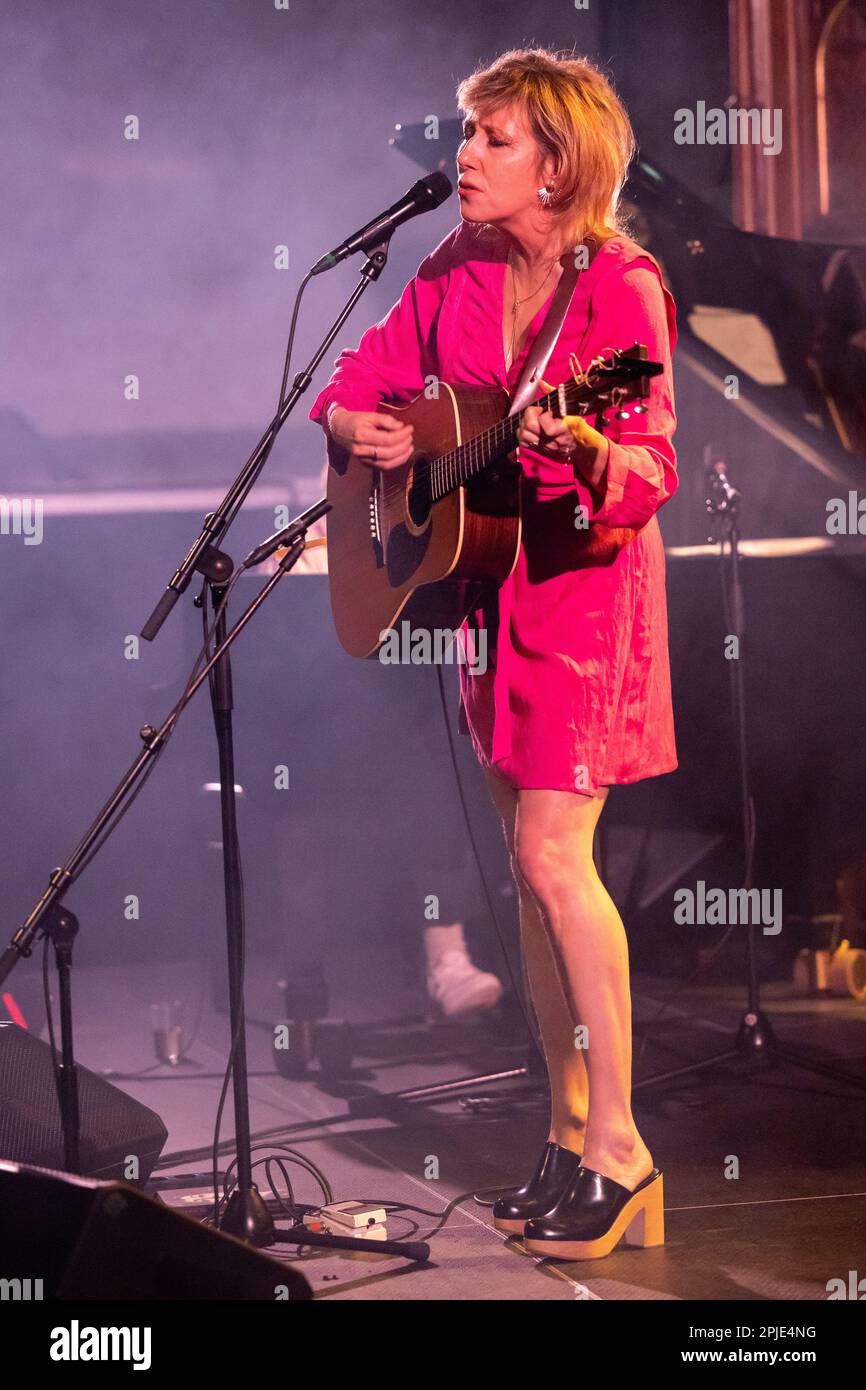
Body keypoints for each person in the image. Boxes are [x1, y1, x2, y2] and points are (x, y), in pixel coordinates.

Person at [309, 47, 677, 1262]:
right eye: (466, 136)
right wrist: (352, 422)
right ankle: (569, 1133)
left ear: (558, 162)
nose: (461, 156)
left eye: (492, 138)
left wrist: (580, 447)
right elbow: (364, 377)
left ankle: (624, 1149)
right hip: (490, 601)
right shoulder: (454, 263)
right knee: (529, 877)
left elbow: (647, 463)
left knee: (547, 852)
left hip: (581, 597)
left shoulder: (620, 290)